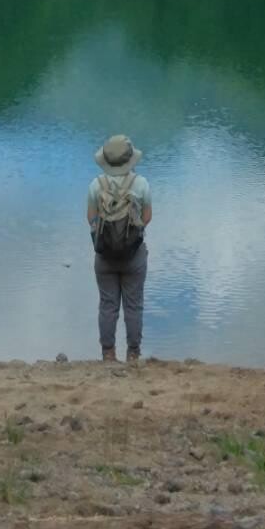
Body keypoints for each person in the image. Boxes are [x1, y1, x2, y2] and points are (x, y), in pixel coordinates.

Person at [87, 134, 152, 364]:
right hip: (134, 256)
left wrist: (107, 236)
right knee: (134, 306)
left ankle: (108, 354)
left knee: (108, 305)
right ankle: (133, 354)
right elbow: (147, 217)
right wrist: (129, 235)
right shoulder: (141, 184)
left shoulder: (96, 185)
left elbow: (91, 219)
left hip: (104, 256)